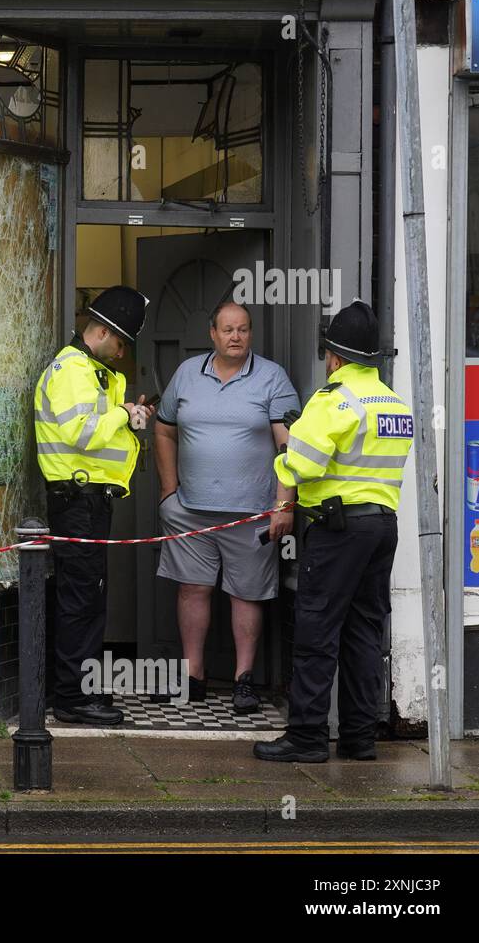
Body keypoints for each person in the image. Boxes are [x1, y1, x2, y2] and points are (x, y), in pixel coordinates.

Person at [254, 300, 412, 762]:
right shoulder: (393, 403)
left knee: (317, 631)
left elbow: (302, 466)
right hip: (383, 527)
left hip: (338, 529)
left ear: (335, 357)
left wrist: (286, 447)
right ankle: (360, 739)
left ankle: (306, 737)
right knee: (364, 634)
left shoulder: (333, 399)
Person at [152, 301, 299, 712]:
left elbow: (290, 447)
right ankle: (193, 677)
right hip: (190, 510)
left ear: (250, 334)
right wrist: (168, 491)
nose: (236, 337)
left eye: (244, 330)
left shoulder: (272, 378)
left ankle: (244, 681)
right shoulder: (187, 374)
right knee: (192, 589)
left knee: (245, 595)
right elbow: (163, 431)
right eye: (228, 330)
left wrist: (283, 504)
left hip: (251, 513)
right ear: (212, 333)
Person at [33, 286, 154, 725]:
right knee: (81, 600)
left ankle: (78, 689)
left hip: (90, 501)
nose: (122, 353)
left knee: (86, 599)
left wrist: (126, 415)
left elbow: (95, 433)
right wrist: (123, 415)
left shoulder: (93, 372)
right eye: (120, 342)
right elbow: (82, 434)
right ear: (101, 332)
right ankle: (71, 698)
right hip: (77, 501)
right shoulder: (71, 370)